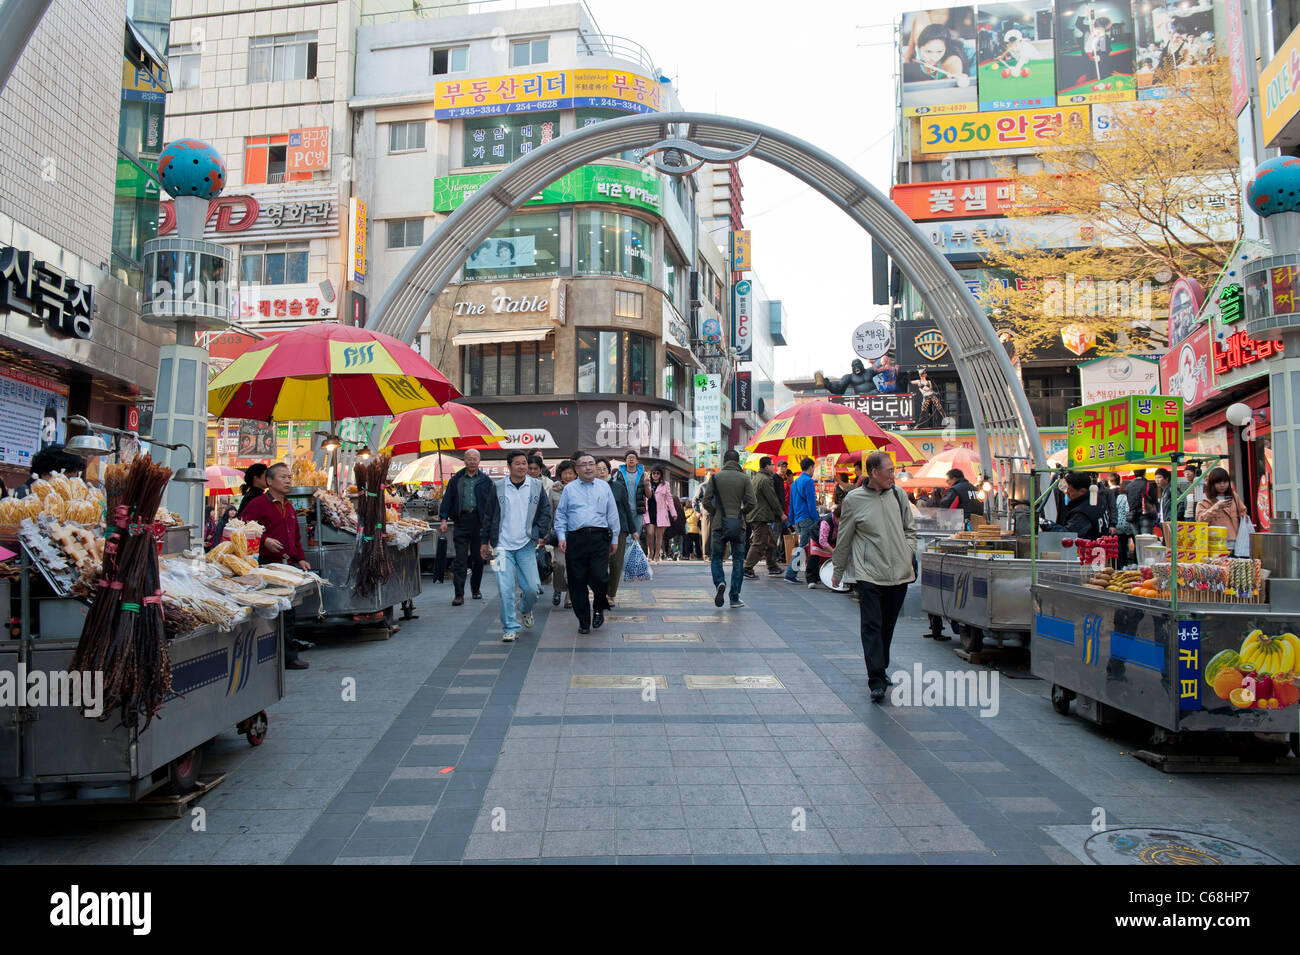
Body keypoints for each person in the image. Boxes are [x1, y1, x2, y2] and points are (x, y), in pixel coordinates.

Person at [832, 451, 918, 703]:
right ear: (874, 473)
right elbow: (845, 537)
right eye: (889, 471)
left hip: (899, 574)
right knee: (871, 626)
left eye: (893, 470)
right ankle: (876, 680)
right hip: (869, 573)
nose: (894, 474)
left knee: (887, 626)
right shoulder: (854, 500)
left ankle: (881, 664)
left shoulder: (899, 495)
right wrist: (837, 571)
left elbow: (909, 529)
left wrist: (908, 551)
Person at [240, 462, 311, 670]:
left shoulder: (288, 506)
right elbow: (241, 530)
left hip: (287, 565)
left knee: (288, 611)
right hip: (266, 566)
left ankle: (288, 656)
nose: (288, 480)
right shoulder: (258, 504)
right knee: (273, 613)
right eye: (283, 477)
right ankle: (277, 657)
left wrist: (300, 558)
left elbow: (295, 537)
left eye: (290, 477)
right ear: (269, 481)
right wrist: (264, 541)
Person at [485, 451, 552, 643]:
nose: (522, 467)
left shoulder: (536, 486)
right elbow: (489, 516)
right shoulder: (498, 486)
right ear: (509, 466)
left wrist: (538, 533)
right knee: (505, 589)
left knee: (532, 588)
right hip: (501, 548)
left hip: (526, 546)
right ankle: (510, 627)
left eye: (524, 463)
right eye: (518, 463)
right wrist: (485, 542)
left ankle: (525, 608)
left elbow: (545, 513)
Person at [553, 453, 620, 634]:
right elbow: (561, 515)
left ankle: (599, 608)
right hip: (576, 538)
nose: (589, 468)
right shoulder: (569, 489)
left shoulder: (604, 487)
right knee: (577, 581)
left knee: (600, 577)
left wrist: (614, 539)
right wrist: (561, 537)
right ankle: (583, 620)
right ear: (577, 469)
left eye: (591, 464)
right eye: (584, 464)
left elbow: (612, 514)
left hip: (599, 538)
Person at [438, 448, 498, 606]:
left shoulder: (486, 480)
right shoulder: (456, 479)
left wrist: (491, 524)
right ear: (464, 461)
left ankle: (476, 589)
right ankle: (459, 594)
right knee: (460, 559)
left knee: (479, 559)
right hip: (461, 521)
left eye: (475, 459)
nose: (472, 462)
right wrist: (443, 520)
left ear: (479, 461)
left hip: (479, 523)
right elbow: (447, 500)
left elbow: (492, 504)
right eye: (469, 459)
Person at [704, 449, 756, 608]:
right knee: (739, 560)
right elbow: (752, 502)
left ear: (724, 462)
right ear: (738, 462)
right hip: (738, 524)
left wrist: (716, 513)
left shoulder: (715, 477)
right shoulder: (744, 478)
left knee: (717, 557)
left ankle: (720, 582)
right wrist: (741, 512)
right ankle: (734, 597)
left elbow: (706, 502)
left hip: (719, 524)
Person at [599, 457, 633, 607]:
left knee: (615, 563)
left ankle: (610, 594)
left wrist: (634, 530)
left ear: (609, 471)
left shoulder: (618, 487)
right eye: (598, 469)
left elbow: (626, 508)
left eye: (603, 469)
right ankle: (600, 592)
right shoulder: (590, 486)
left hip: (619, 529)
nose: (600, 472)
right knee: (599, 564)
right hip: (598, 530)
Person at [743, 456, 785, 579]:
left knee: (771, 542)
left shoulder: (758, 477)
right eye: (772, 464)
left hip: (759, 515)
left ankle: (772, 566)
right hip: (759, 516)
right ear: (767, 466)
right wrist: (781, 513)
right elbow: (772, 498)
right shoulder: (765, 479)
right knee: (759, 543)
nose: (774, 467)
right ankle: (747, 568)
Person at [785, 456, 819, 583]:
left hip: (798, 519)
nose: (813, 471)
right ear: (810, 467)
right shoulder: (809, 481)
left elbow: (792, 504)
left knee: (805, 546)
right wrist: (816, 520)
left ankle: (810, 574)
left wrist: (792, 521)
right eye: (813, 468)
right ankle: (790, 573)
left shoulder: (795, 482)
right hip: (807, 519)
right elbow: (811, 504)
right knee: (803, 547)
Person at [547, 460, 576, 608]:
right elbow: (549, 513)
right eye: (565, 473)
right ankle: (558, 589)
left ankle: (570, 597)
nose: (568, 476)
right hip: (560, 534)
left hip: (577, 534)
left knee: (574, 567)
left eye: (571, 473)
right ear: (560, 474)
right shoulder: (554, 490)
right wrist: (547, 532)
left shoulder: (580, 489)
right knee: (559, 564)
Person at [1044, 471, 1106, 539]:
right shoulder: (1098, 500)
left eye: (1069, 490)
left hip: (1088, 547)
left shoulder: (1083, 512)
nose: (1066, 492)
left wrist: (1047, 524)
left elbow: (1069, 535)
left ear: (1082, 491)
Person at [1196, 467, 1250, 542]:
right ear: (1212, 483)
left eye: (1225, 482)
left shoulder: (1234, 496)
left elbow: (1243, 511)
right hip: (1215, 541)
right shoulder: (1205, 499)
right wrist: (1216, 507)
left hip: (1236, 541)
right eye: (1218, 482)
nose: (1222, 485)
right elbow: (1200, 520)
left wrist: (1244, 518)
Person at [646, 467, 677, 563]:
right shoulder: (647, 483)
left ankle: (656, 555)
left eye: (657, 473)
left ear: (661, 475)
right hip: (649, 512)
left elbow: (670, 499)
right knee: (650, 533)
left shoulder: (665, 484)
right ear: (651, 474)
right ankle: (650, 552)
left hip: (661, 512)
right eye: (653, 473)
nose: (655, 475)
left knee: (659, 536)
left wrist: (673, 513)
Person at [618, 451, 649, 540]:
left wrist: (646, 485)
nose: (631, 459)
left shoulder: (644, 475)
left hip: (638, 511)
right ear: (625, 461)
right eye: (629, 457)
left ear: (637, 461)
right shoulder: (618, 475)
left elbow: (649, 496)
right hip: (624, 510)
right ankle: (625, 554)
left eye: (633, 457)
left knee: (636, 537)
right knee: (626, 537)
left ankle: (634, 554)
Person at [805, 510, 836, 590]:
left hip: (831, 540)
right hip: (817, 538)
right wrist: (833, 551)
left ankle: (822, 577)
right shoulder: (826, 521)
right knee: (814, 557)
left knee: (829, 560)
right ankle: (811, 579)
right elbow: (822, 541)